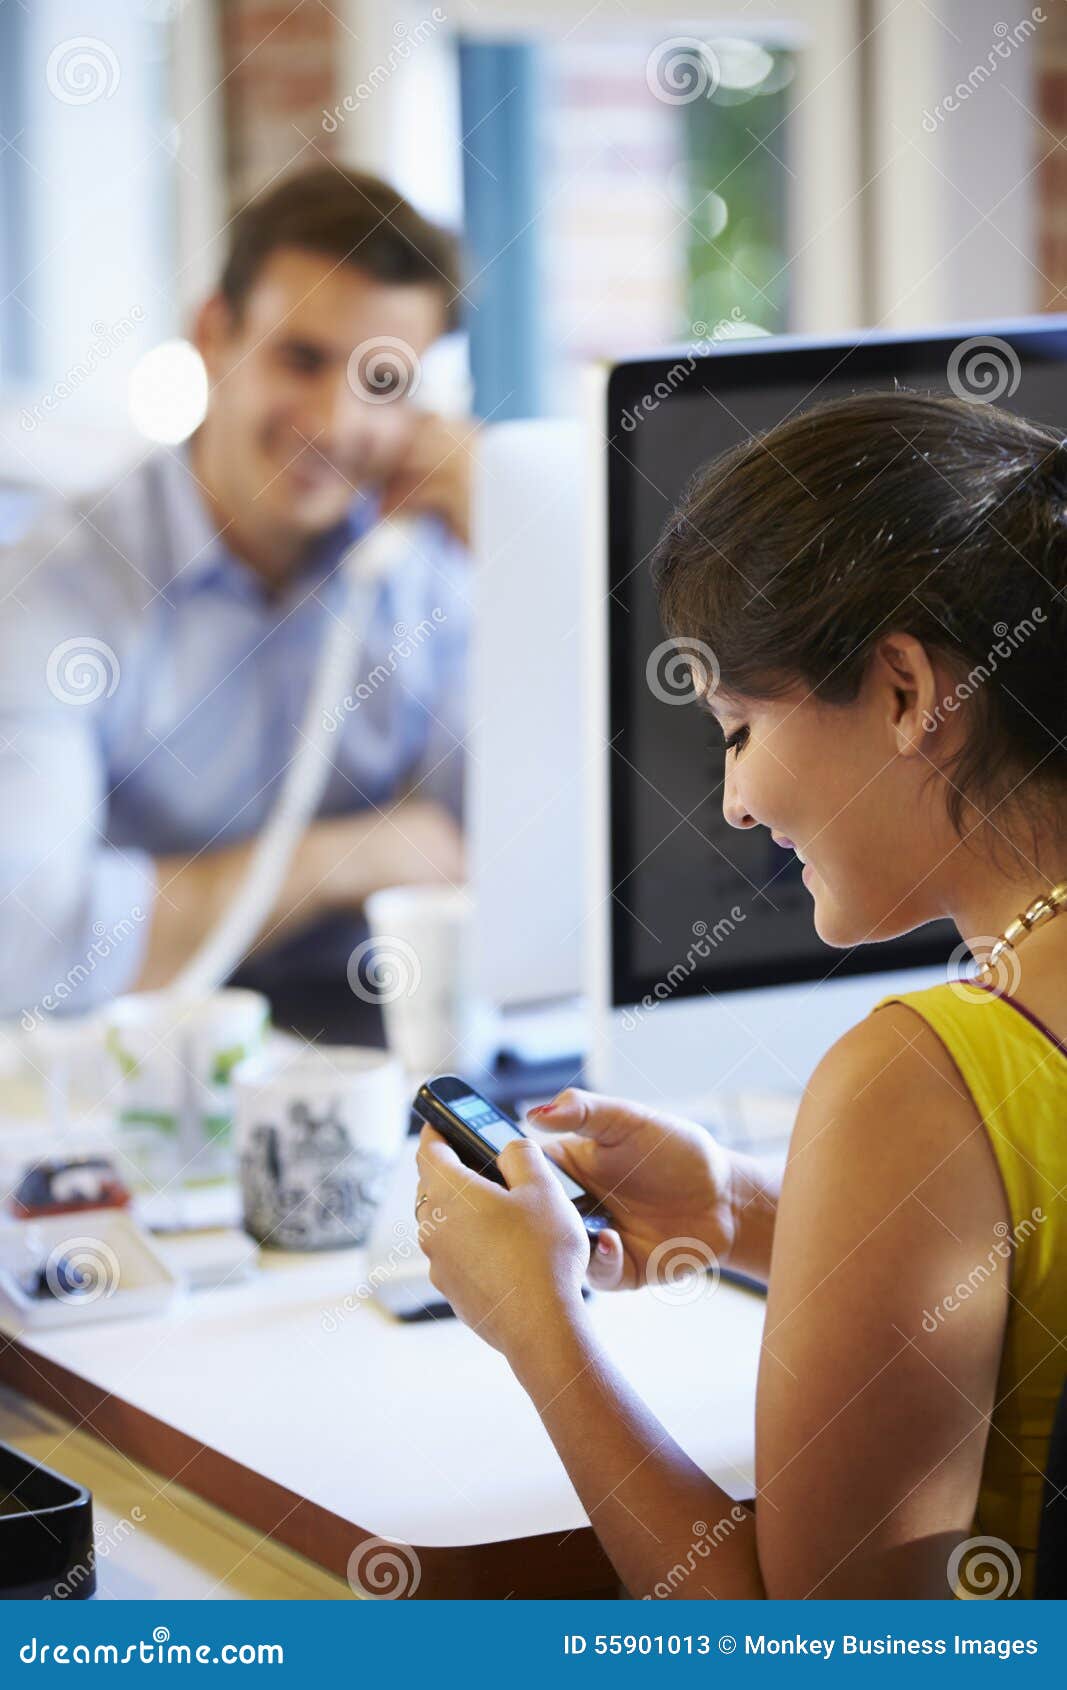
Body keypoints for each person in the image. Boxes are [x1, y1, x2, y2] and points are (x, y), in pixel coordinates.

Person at [416, 392, 1067, 1600]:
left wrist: (537, 1326)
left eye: (737, 727)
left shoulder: (917, 1080)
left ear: (902, 692)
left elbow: (816, 1667)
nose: (733, 803)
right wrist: (734, 1208)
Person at [0, 166, 470, 1023]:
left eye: (382, 384)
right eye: (301, 359)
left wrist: (501, 537)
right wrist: (354, 860)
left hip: (383, 1052)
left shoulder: (432, 563)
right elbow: (21, 947)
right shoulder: (49, 588)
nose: (334, 425)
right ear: (213, 335)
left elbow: (529, 864)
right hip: (138, 1074)